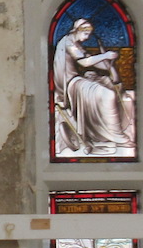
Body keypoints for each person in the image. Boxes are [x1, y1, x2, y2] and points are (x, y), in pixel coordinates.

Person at [52, 18, 133, 155]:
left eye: (89, 34)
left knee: (108, 83)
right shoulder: (68, 42)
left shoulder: (76, 44)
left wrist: (108, 65)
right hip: (71, 84)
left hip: (77, 80)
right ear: (77, 31)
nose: (87, 37)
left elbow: (92, 61)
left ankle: (102, 132)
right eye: (85, 33)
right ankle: (116, 135)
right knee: (108, 95)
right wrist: (104, 55)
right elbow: (84, 62)